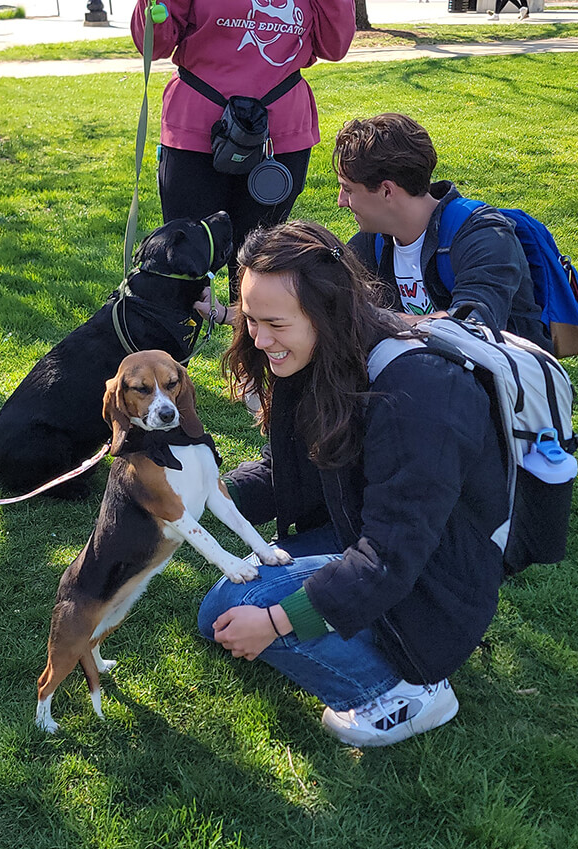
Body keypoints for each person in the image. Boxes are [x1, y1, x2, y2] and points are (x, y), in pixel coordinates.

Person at [196, 220, 509, 747]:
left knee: (235, 607)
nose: (259, 340)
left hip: (435, 574)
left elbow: (394, 551)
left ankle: (409, 690)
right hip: (366, 533)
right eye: (249, 320)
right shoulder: (319, 355)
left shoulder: (419, 393)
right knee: (221, 614)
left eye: (274, 323)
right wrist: (200, 496)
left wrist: (276, 622)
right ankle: (356, 625)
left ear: (327, 310)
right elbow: (286, 471)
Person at [132, 0, 356, 304]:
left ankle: (254, 348)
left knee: (260, 263)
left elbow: (335, 45)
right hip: (197, 129)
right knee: (183, 263)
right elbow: (154, 44)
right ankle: (171, 350)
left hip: (278, 137)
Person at [334, 113, 553, 353]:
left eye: (347, 189)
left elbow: (475, 328)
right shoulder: (373, 240)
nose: (341, 201)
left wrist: (380, 319)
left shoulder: (484, 235)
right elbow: (332, 300)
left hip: (503, 381)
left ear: (387, 191)